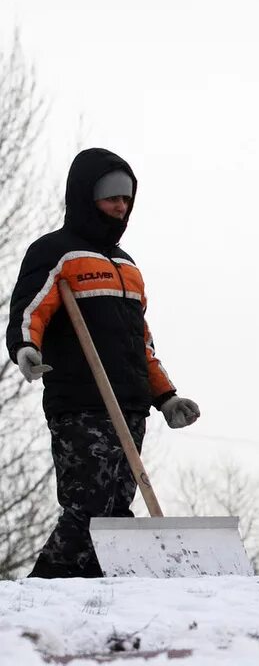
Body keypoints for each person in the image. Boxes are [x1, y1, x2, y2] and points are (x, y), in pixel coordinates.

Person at [6, 148, 200, 578]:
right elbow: (29, 309)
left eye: (127, 198)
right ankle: (39, 593)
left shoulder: (128, 267)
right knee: (86, 509)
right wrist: (25, 347)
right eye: (111, 196)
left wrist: (165, 396)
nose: (120, 206)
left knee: (115, 512)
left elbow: (141, 342)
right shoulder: (56, 252)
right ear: (84, 195)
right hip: (81, 401)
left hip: (129, 405)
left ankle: (101, 591)